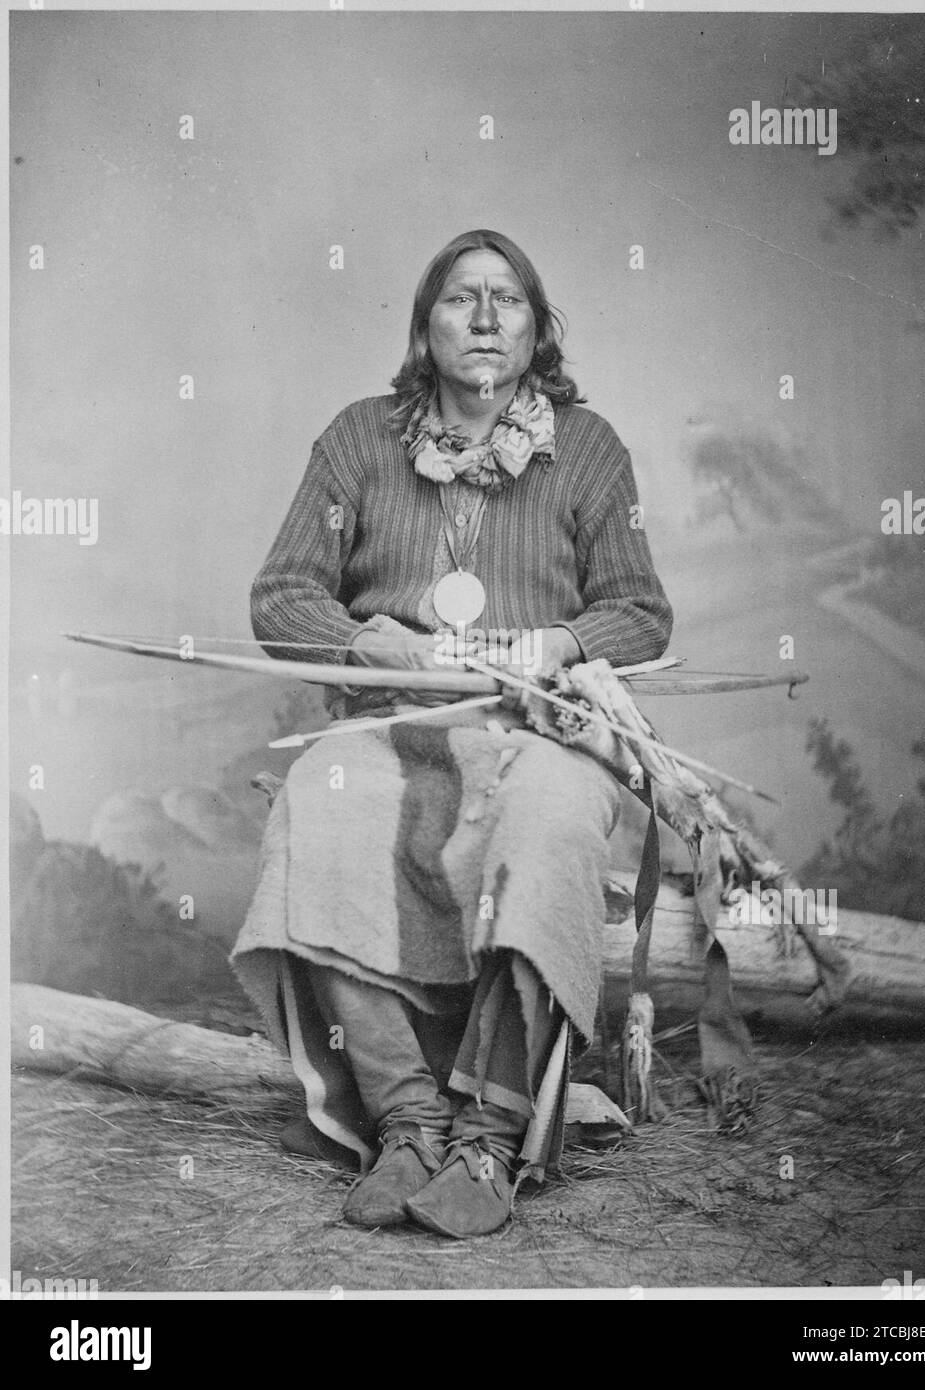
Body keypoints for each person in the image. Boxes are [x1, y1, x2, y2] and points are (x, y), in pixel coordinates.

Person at [231, 229, 673, 1238]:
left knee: (554, 818)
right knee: (319, 797)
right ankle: (406, 1118)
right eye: (458, 301)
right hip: (395, 722)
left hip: (540, 727)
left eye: (505, 300)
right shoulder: (358, 441)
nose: (482, 319)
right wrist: (361, 639)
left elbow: (640, 613)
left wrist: (560, 643)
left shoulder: (587, 449)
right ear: (423, 328)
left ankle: (489, 1132)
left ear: (534, 327)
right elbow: (280, 596)